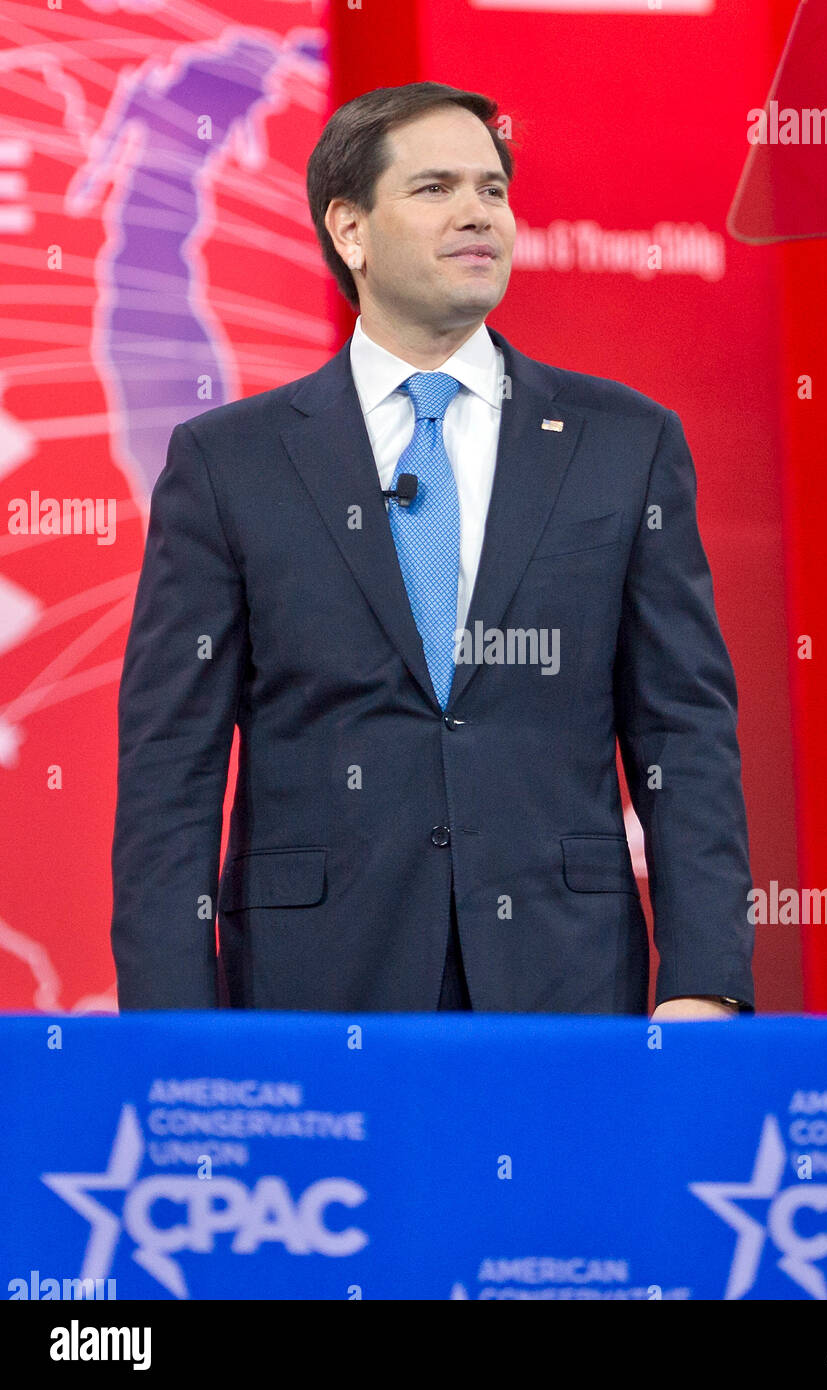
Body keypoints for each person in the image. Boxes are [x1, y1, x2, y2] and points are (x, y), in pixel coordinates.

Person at [111, 81, 754, 1019]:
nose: (477, 214)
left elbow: (683, 731)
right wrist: (170, 1027)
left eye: (493, 190)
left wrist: (705, 982)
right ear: (350, 229)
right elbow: (172, 762)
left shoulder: (625, 441)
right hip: (313, 990)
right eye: (436, 189)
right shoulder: (228, 462)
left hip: (562, 982)